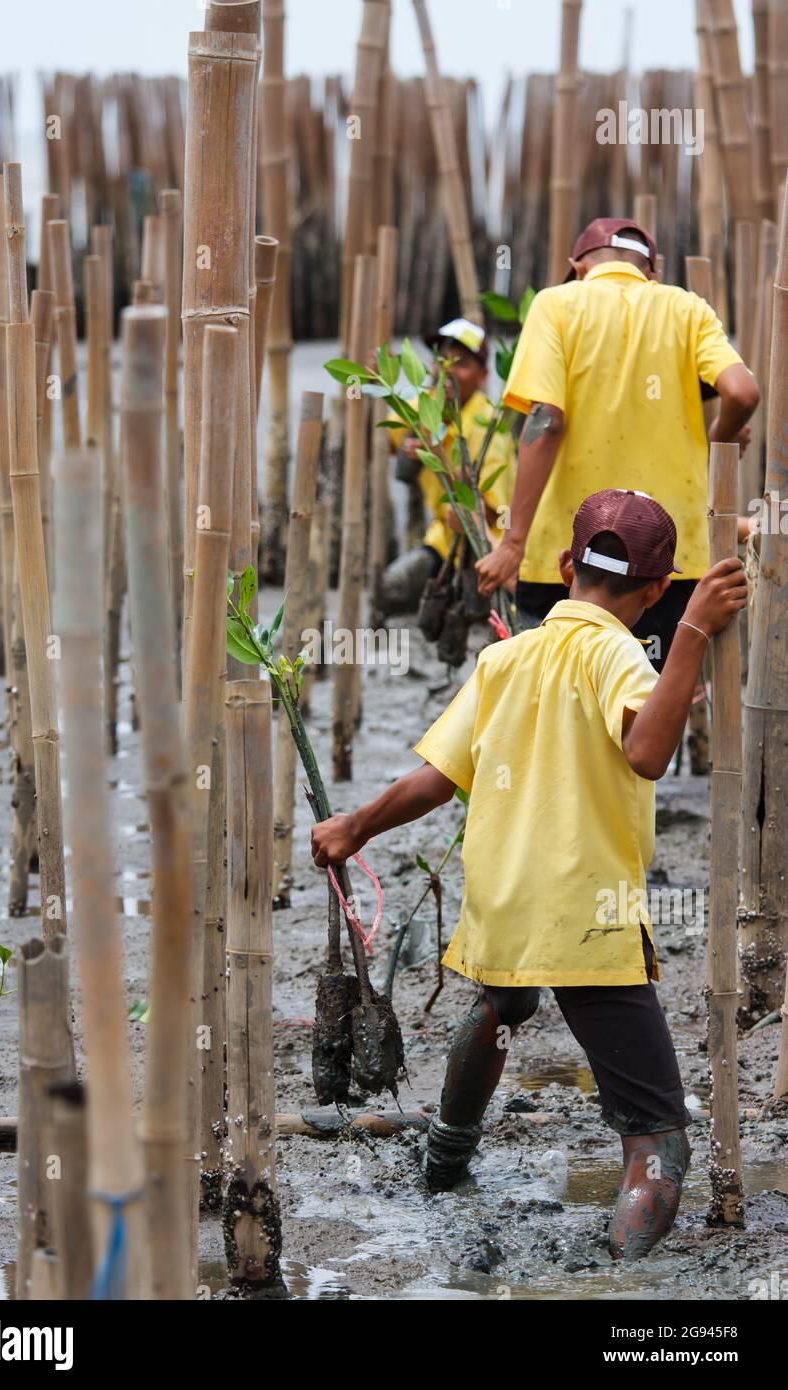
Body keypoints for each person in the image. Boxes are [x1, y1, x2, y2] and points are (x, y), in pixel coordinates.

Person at [310, 488, 748, 1261]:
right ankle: (619, 1285)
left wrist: (353, 827)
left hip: (503, 900)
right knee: (659, 1143)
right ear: (654, 590)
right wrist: (693, 634)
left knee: (506, 1000)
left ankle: (446, 1159)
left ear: (564, 565)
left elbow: (437, 778)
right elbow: (648, 754)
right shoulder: (621, 651)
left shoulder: (502, 658)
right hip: (588, 915)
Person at [475, 218, 759, 672]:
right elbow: (743, 393)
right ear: (651, 270)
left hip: (566, 559)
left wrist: (513, 543)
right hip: (670, 563)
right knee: (646, 714)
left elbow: (546, 421)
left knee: (552, 703)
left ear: (578, 266)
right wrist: (719, 440)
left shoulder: (557, 304)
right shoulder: (685, 307)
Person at [380, 318, 515, 616]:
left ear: (483, 376)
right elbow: (381, 444)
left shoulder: (489, 427)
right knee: (392, 588)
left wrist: (438, 458)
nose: (448, 372)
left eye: (461, 363)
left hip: (486, 548)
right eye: (442, 361)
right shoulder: (425, 405)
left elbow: (492, 514)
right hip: (441, 538)